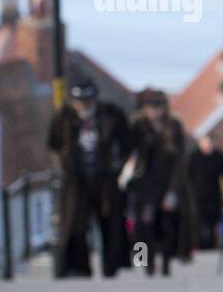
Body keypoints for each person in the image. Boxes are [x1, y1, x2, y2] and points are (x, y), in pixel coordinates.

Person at [47, 77, 133, 278]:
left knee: (110, 225)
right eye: (80, 102)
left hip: (105, 181)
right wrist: (64, 165)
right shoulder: (64, 118)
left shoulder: (111, 115)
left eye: (88, 101)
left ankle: (111, 267)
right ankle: (79, 268)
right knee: (75, 225)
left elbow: (128, 144)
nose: (84, 106)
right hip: (76, 182)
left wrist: (118, 168)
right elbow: (53, 145)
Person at [126, 88, 197, 277]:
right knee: (144, 225)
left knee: (167, 225)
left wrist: (174, 190)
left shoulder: (173, 126)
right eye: (150, 107)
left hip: (167, 183)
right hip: (144, 185)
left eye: (158, 107)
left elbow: (180, 160)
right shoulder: (138, 127)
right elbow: (128, 151)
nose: (155, 112)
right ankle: (145, 262)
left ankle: (166, 263)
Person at [186, 135, 223, 250]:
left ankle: (213, 243)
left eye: (209, 143)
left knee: (214, 221)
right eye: (205, 143)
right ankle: (199, 244)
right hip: (198, 196)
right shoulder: (194, 157)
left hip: (215, 196)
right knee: (199, 221)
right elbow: (188, 177)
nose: (207, 146)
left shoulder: (219, 157)